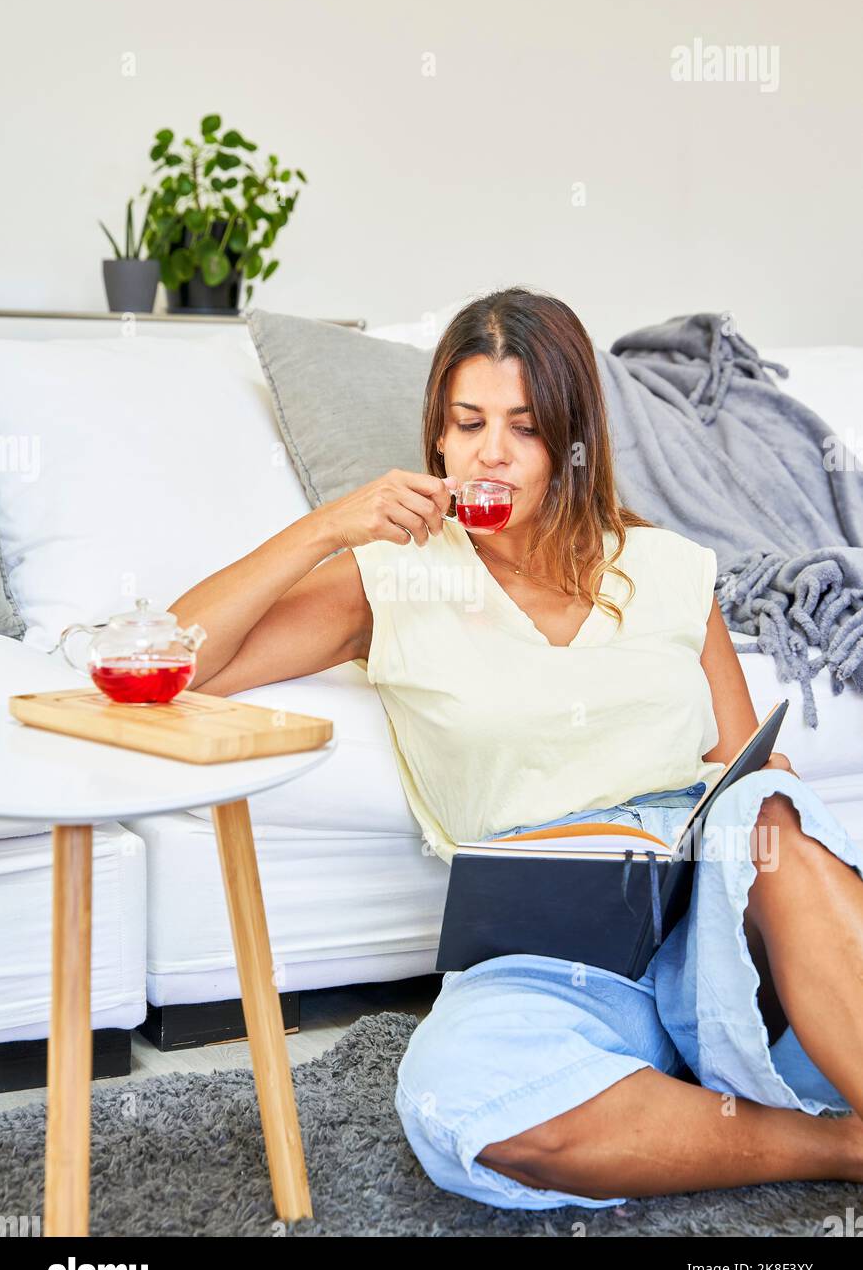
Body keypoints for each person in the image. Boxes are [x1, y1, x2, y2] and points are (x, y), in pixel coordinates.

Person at [169, 286, 863, 1211]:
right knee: (469, 1108)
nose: (489, 452)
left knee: (766, 814)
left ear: (572, 441)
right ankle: (839, 1147)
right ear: (439, 438)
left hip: (707, 911)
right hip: (545, 948)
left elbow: (750, 770)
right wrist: (330, 526)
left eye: (524, 428)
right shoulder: (390, 579)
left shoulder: (667, 569)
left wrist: (747, 820)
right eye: (467, 423)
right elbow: (170, 660)